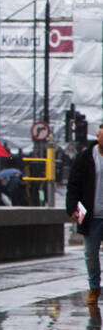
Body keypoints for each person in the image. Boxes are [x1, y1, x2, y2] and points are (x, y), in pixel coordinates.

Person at [66, 122, 103, 307]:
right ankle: (94, 288)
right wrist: (72, 207)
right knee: (90, 254)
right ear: (98, 136)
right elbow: (74, 184)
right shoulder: (85, 157)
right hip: (91, 216)